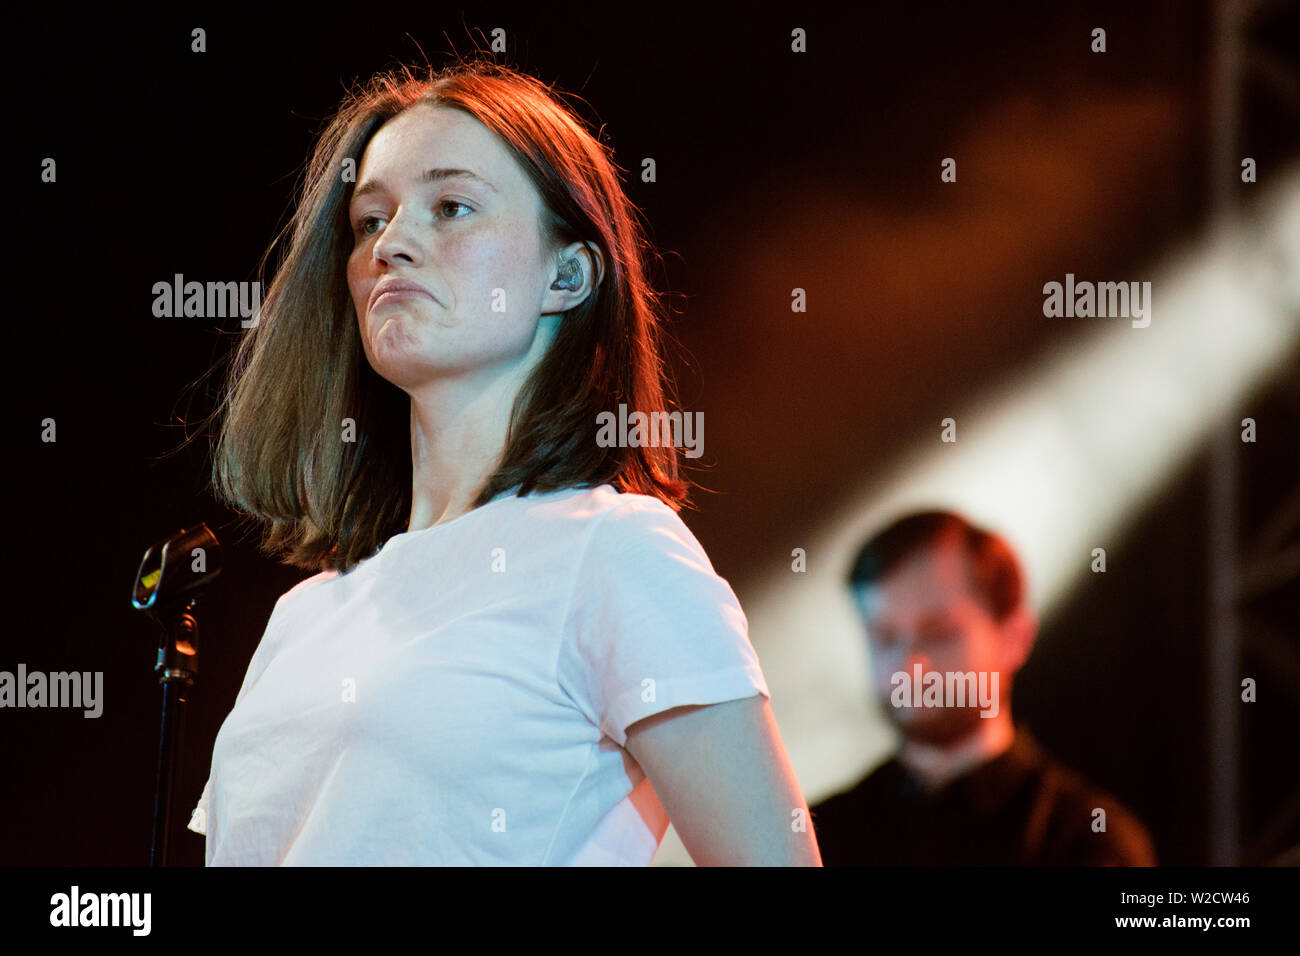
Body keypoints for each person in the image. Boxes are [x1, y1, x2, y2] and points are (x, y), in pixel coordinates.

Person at [185, 59, 819, 866]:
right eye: (369, 221)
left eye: (452, 207)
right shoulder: (304, 616)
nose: (394, 245)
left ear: (567, 273)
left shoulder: (616, 552)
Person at [811, 511, 1156, 865]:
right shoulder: (820, 837)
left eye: (938, 634)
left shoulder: (1085, 840)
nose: (910, 667)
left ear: (1014, 637)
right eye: (884, 638)